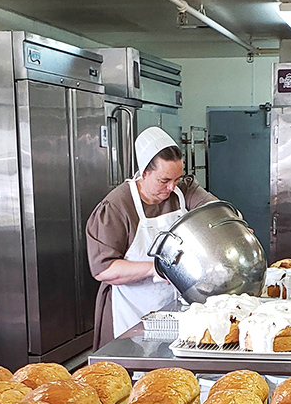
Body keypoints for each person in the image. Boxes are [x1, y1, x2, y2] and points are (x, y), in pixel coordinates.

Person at [86, 127, 216, 347]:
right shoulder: (118, 207)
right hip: (131, 312)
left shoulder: (182, 190)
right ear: (144, 172)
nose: (172, 187)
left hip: (175, 309)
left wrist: (230, 225)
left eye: (177, 178)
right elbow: (104, 269)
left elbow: (215, 211)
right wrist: (154, 268)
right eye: (164, 180)